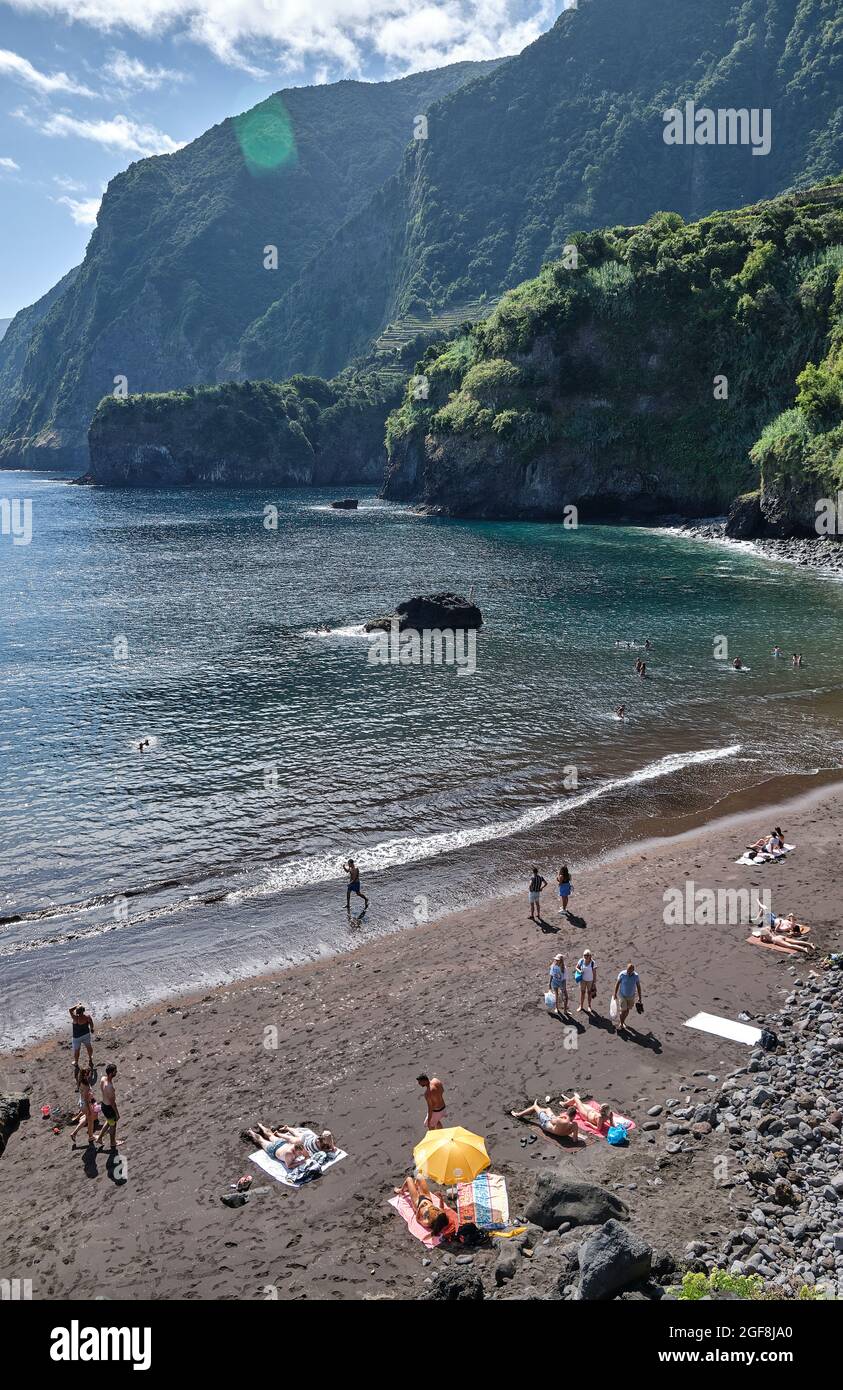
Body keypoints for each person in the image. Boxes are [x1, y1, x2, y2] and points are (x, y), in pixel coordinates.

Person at [394, 1175, 458, 1238]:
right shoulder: (441, 1214)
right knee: (419, 1177)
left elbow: (418, 1219)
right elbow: (441, 1207)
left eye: (436, 1212)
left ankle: (401, 1190)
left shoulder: (427, 1222)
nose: (437, 1210)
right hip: (428, 1198)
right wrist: (440, 1198)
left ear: (435, 1218)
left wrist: (419, 1209)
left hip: (417, 1202)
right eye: (438, 1211)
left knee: (409, 1179)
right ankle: (415, 1186)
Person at [510, 1100, 578, 1139]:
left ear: (567, 1112)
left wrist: (560, 1117)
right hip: (562, 1135)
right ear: (574, 1116)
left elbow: (551, 1120)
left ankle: (518, 1114)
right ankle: (538, 1111)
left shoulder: (560, 1120)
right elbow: (575, 1139)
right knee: (548, 1109)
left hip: (546, 1125)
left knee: (535, 1107)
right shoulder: (575, 1125)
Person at [95, 1063, 120, 1151]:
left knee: (109, 1122)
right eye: (115, 1071)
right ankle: (113, 1142)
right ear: (111, 1073)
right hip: (109, 1108)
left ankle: (99, 1138)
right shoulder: (109, 1087)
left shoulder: (103, 1079)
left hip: (104, 1105)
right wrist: (117, 1113)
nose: (116, 1072)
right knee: (113, 1125)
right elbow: (112, 1103)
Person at [70, 1067, 97, 1147]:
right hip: (86, 1104)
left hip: (82, 1103)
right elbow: (86, 1099)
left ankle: (74, 1133)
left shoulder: (81, 1081)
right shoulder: (86, 1086)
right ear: (86, 1074)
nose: (90, 1074)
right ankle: (90, 1137)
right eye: (89, 1073)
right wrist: (89, 1109)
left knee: (86, 1119)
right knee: (90, 1121)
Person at [613, 962, 643, 1029]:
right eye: (628, 971)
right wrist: (615, 993)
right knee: (623, 1010)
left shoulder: (636, 976)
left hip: (631, 996)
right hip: (622, 995)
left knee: (627, 1010)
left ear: (633, 970)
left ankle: (623, 1022)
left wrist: (640, 997)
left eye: (630, 971)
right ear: (626, 969)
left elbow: (638, 986)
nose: (629, 973)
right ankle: (621, 1023)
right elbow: (617, 984)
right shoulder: (622, 974)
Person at [69, 1004, 94, 1077]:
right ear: (83, 1011)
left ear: (77, 1011)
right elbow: (91, 1024)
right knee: (88, 1046)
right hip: (86, 1034)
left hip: (77, 1037)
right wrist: (92, 1029)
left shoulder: (75, 1018)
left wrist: (76, 1005)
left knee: (77, 1050)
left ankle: (76, 1062)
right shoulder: (87, 1017)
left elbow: (70, 1010)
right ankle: (90, 1058)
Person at [575, 950, 597, 1014]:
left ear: (590, 955)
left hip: (590, 980)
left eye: (587, 955)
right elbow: (576, 967)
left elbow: (594, 973)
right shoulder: (581, 960)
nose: (585, 956)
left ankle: (589, 1006)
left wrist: (594, 983)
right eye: (584, 955)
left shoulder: (593, 963)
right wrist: (579, 971)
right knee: (582, 993)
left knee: (589, 993)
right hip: (583, 980)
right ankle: (581, 1006)